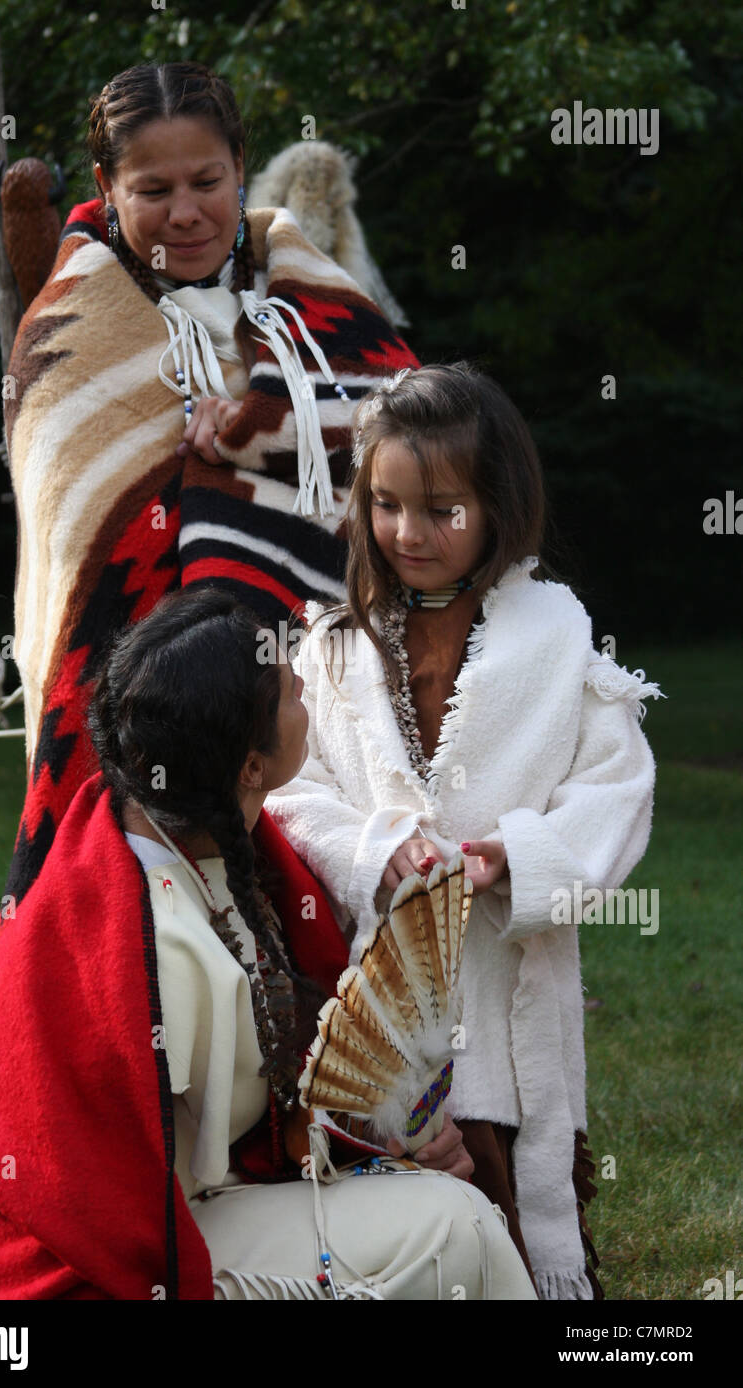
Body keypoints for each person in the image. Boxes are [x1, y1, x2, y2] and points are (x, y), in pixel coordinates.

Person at [0, 588, 536, 1301]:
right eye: (291, 690)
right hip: (110, 1259)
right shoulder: (155, 939)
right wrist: (373, 1146)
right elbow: (205, 1148)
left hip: (180, 1205)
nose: (305, 690)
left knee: (452, 1216)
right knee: (456, 1227)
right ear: (249, 768)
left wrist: (385, 1137)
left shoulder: (156, 831)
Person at [264, 362, 663, 1300]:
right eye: (389, 506)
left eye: (442, 509)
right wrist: (373, 851)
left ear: (498, 506)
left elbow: (617, 790)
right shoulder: (332, 644)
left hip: (506, 980)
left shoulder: (556, 635)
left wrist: (514, 858)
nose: (409, 533)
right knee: (405, 1229)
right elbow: (293, 788)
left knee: (514, 1228)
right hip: (385, 994)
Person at [2, 59, 419, 921]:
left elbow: (414, 436)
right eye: (153, 187)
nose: (186, 211)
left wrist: (256, 425)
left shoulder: (310, 295)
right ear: (105, 186)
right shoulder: (68, 327)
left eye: (207, 180)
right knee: (150, 923)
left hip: (307, 667)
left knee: (313, 903)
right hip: (140, 678)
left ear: (241, 163)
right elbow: (75, 512)